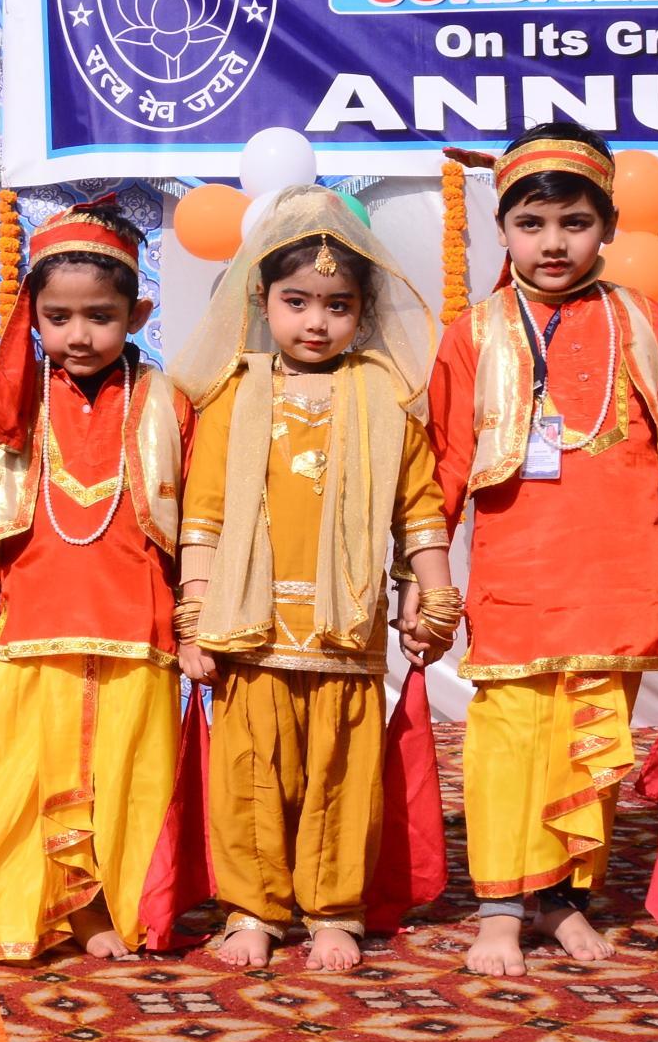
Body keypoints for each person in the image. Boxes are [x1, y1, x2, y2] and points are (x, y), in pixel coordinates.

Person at [0, 197, 201, 964]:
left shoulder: (167, 402)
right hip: (33, 620)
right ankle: (19, 905)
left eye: (99, 316)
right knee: (19, 773)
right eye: (59, 316)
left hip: (138, 623)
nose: (78, 335)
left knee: (125, 775)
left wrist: (196, 615)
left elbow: (199, 516)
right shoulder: (16, 407)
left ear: (136, 314)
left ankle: (114, 907)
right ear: (31, 316)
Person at [173, 188, 457, 973]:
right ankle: (251, 908)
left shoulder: (386, 397)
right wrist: (193, 616)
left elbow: (418, 510)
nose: (316, 322)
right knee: (250, 773)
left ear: (363, 312)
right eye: (297, 301)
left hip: (346, 627)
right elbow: (204, 515)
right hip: (250, 625)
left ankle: (334, 908)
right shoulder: (235, 393)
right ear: (263, 300)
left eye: (338, 305)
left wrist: (433, 596)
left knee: (341, 771)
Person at [428, 125, 658, 977]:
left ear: (608, 228)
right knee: (507, 742)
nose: (553, 243)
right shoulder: (476, 332)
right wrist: (424, 582)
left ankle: (565, 897)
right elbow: (442, 465)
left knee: (594, 736)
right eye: (532, 225)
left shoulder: (642, 322)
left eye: (574, 223)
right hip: (518, 578)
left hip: (622, 572)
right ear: (503, 230)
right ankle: (500, 906)